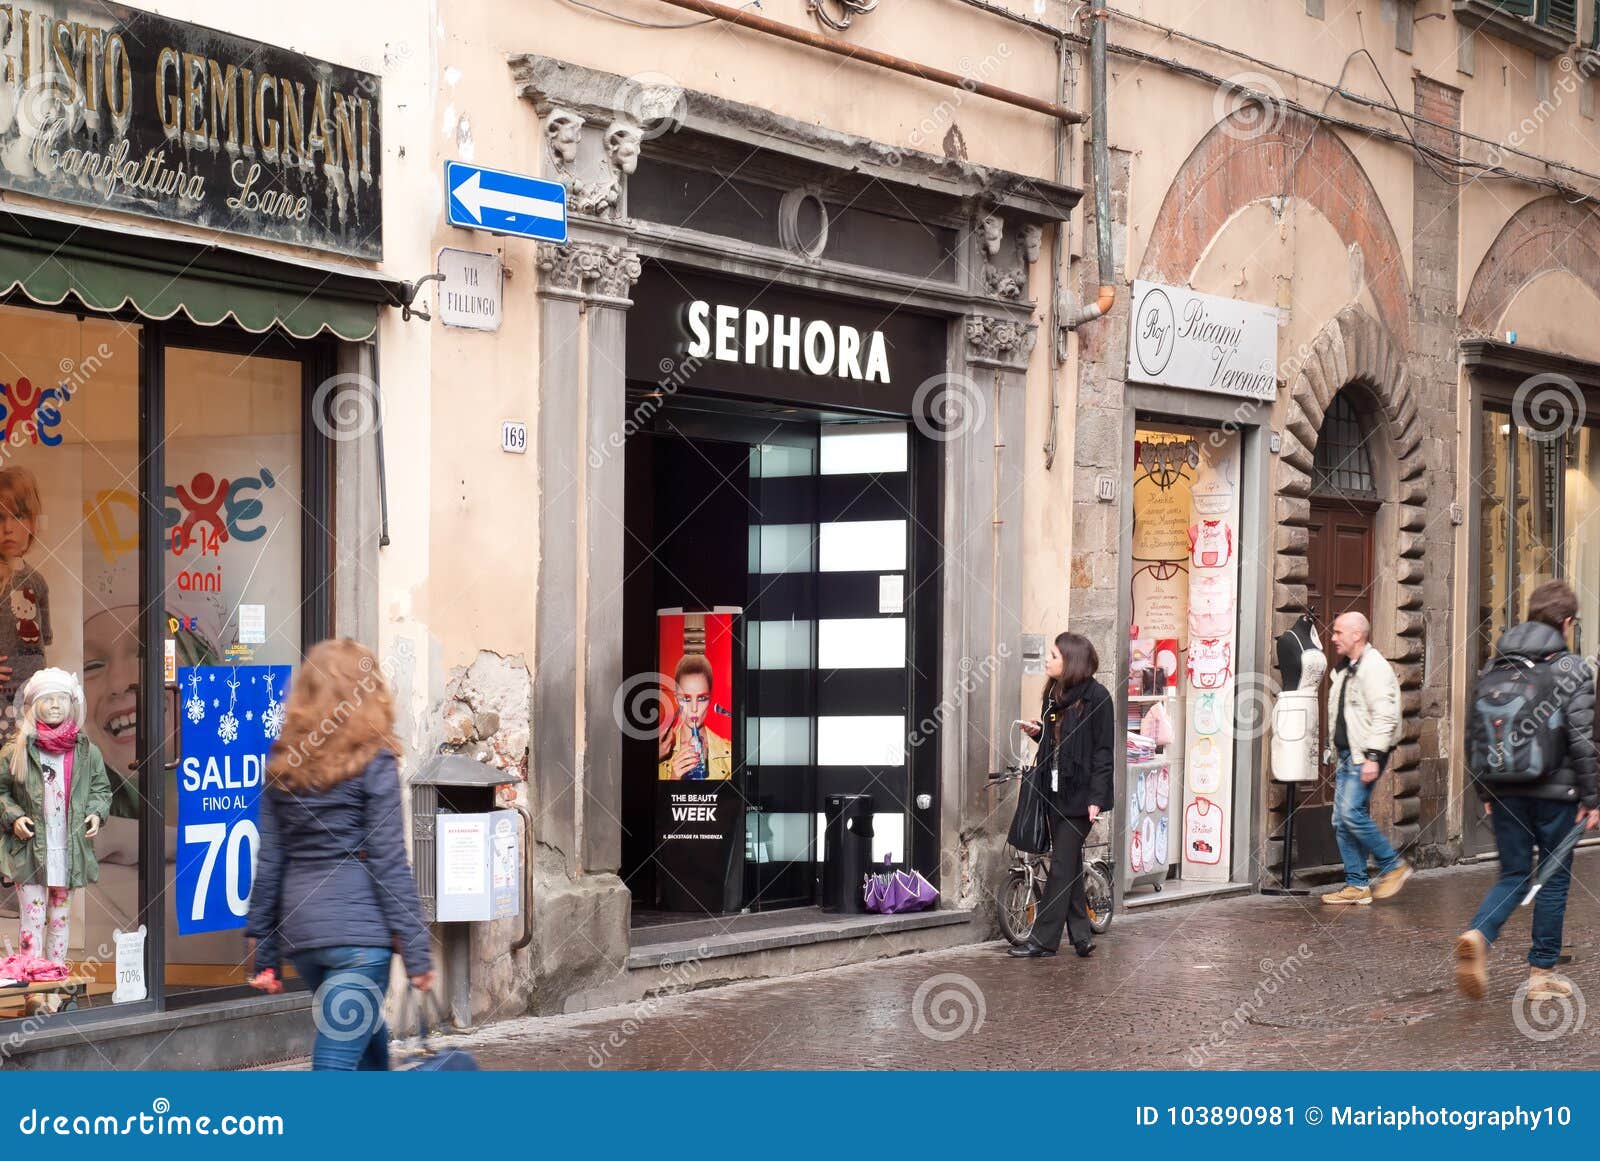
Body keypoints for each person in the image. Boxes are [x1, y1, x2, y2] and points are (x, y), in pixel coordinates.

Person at [246, 639, 434, 1070]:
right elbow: (389, 860)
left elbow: (270, 862)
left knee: (365, 1045)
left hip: (305, 939)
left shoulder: (283, 765)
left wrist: (267, 954)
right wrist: (417, 950)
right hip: (359, 943)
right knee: (335, 1064)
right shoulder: (375, 761)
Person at [1456, 580, 1599, 1001]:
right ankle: (1540, 974)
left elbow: (1474, 733)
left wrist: (1485, 789)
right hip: (1558, 793)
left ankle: (1479, 934)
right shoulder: (1572, 668)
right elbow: (1583, 739)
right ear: (1567, 622)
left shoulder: (1496, 665)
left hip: (1505, 789)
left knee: (1515, 875)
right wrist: (1592, 798)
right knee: (1552, 880)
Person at [1009, 631, 1114, 958]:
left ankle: (1043, 941)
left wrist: (1096, 797)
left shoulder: (1098, 698)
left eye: (1053, 655)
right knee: (1068, 864)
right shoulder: (1054, 695)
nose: (1047, 659)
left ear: (1071, 661)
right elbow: (1056, 744)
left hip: (1081, 797)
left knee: (1059, 867)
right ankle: (1081, 936)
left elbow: (1103, 752)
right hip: (1053, 792)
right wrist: (1039, 733)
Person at [1320, 611, 1412, 905]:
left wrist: (1373, 756)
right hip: (1348, 754)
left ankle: (1393, 866)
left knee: (1350, 814)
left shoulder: (1374, 667)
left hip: (1364, 754)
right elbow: (1342, 715)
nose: (1333, 638)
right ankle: (1357, 885)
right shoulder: (1348, 668)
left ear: (1357, 635)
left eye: (1338, 632)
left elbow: (1385, 715)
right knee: (1341, 821)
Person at [657, 653, 732, 780]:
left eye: (702, 698)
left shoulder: (730, 754)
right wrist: (673, 782)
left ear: (710, 698)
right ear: (676, 699)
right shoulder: (660, 753)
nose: (694, 708)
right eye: (686, 698)